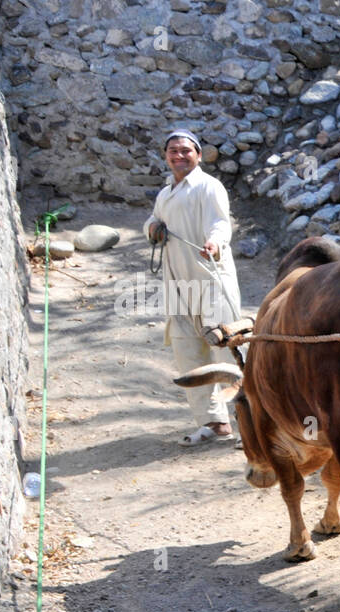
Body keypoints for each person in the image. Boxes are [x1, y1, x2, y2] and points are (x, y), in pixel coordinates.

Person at [144, 129, 243, 447]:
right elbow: (152, 221)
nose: (179, 155)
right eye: (173, 150)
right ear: (166, 156)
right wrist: (152, 229)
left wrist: (215, 243)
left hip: (211, 282)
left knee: (227, 353)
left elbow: (221, 223)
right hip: (178, 287)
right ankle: (214, 424)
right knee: (189, 356)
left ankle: (251, 423)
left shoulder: (208, 186)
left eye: (186, 150)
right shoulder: (165, 194)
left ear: (198, 155)